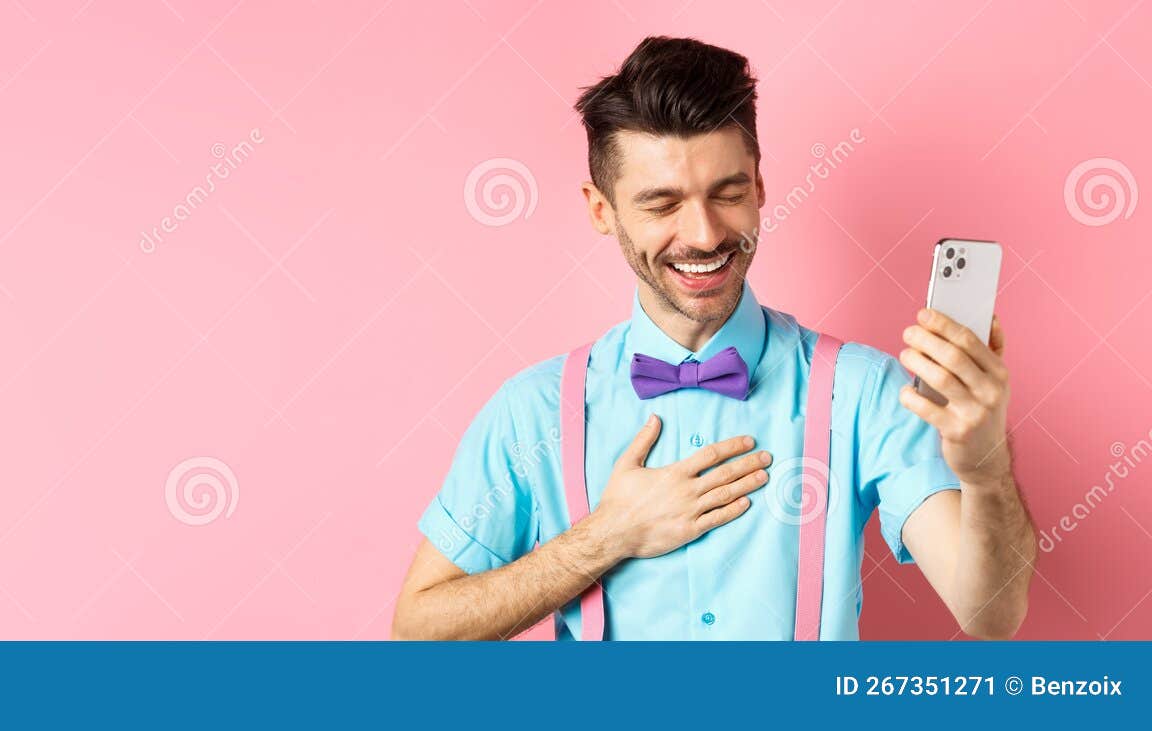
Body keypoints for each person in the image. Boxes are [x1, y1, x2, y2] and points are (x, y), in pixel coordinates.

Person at [391, 36, 1034, 640]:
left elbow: (992, 614)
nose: (703, 235)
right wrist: (604, 537)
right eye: (662, 204)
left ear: (759, 186)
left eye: (727, 193)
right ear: (601, 209)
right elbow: (418, 631)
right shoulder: (532, 410)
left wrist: (985, 469)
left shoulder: (864, 391)